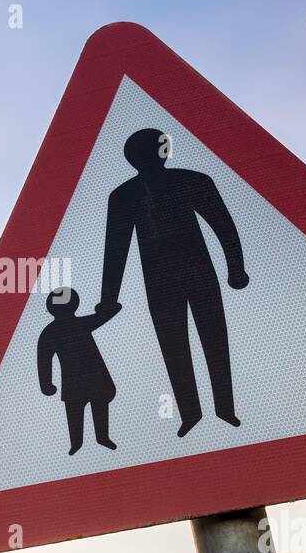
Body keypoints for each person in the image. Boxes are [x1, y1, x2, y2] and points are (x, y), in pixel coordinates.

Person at [99, 127, 249, 437]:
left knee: (214, 339)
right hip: (160, 282)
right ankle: (190, 414)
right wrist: (108, 298)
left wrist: (236, 268)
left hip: (199, 274)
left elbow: (223, 225)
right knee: (174, 347)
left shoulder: (192, 181)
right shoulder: (123, 197)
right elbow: (115, 250)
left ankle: (226, 409)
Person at [37, 287, 119, 455]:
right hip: (75, 381)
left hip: (92, 377)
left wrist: (111, 309)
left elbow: (100, 318)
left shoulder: (72, 325)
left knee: (98, 406)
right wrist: (46, 384)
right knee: (75, 413)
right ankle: (76, 443)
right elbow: (44, 359)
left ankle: (101, 437)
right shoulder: (51, 332)